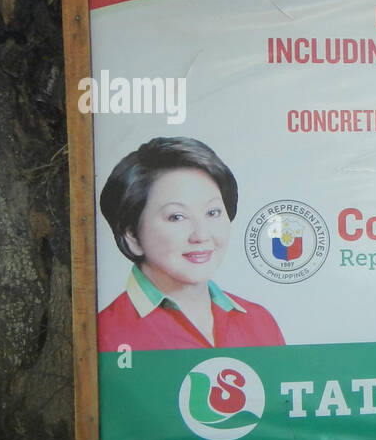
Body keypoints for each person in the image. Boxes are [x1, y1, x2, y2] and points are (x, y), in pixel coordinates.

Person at [97, 137, 286, 350]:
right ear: (132, 235)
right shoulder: (105, 333)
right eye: (177, 217)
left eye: (212, 212)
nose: (201, 235)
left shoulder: (259, 323)